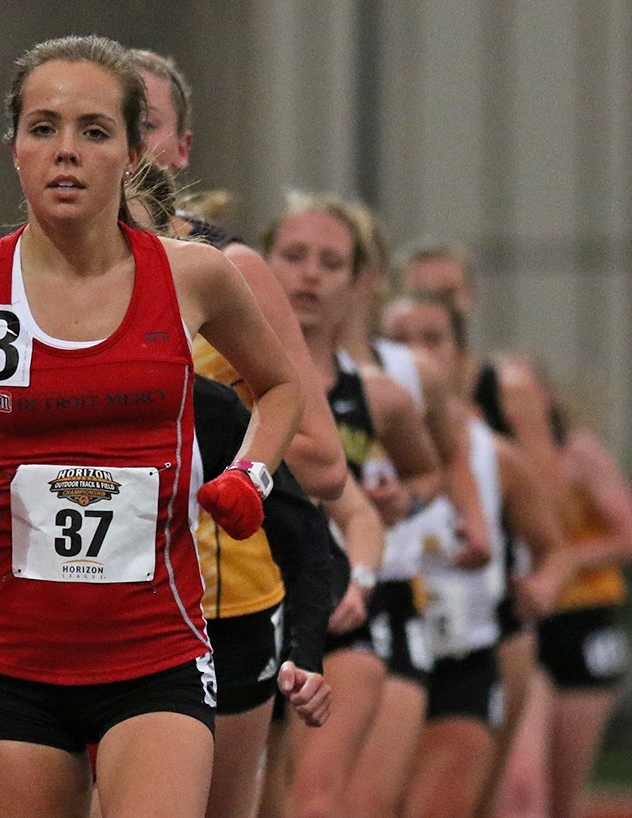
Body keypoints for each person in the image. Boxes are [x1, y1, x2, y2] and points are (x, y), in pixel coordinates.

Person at [0, 35, 322, 818]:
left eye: (93, 130)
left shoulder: (194, 276)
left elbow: (282, 385)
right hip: (17, 658)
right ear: (13, 148)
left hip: (157, 653)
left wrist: (250, 471)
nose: (66, 153)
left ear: (129, 153)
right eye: (42, 128)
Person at [129, 50, 360, 818]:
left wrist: (228, 429)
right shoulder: (32, 277)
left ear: (181, 149)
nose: (121, 145)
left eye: (144, 124)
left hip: (216, 605)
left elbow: (324, 462)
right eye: (101, 126)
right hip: (85, 599)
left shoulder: (228, 269)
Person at [260, 191, 449, 818]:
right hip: (234, 601)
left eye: (331, 262)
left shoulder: (380, 396)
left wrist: (405, 497)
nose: (310, 273)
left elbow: (430, 471)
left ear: (357, 283)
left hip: (340, 605)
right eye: (293, 255)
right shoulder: (218, 376)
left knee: (318, 803)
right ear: (259, 264)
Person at [381, 291, 572, 818]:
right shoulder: (353, 439)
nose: (417, 355)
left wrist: (543, 586)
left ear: (462, 360)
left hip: (461, 657)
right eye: (400, 341)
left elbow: (553, 548)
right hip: (375, 656)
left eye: (433, 339)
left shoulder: (497, 457)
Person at [493, 395, 632, 818]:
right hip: (522, 621)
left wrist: (564, 558)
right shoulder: (492, 453)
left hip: (582, 619)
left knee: (563, 792)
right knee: (522, 788)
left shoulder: (580, 454)